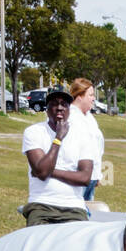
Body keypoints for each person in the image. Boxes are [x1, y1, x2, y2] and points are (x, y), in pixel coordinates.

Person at [20, 86, 93, 227]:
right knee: (38, 246)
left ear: (69, 110)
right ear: (47, 109)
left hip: (74, 207)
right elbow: (41, 172)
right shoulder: (34, 132)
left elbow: (85, 178)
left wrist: (49, 172)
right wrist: (58, 138)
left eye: (64, 104)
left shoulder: (83, 136)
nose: (59, 108)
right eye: (54, 103)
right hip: (41, 205)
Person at [69, 77, 105, 202]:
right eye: (90, 95)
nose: (93, 98)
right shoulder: (70, 118)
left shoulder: (90, 118)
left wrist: (97, 175)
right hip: (78, 178)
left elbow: (97, 148)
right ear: (79, 96)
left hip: (92, 177)